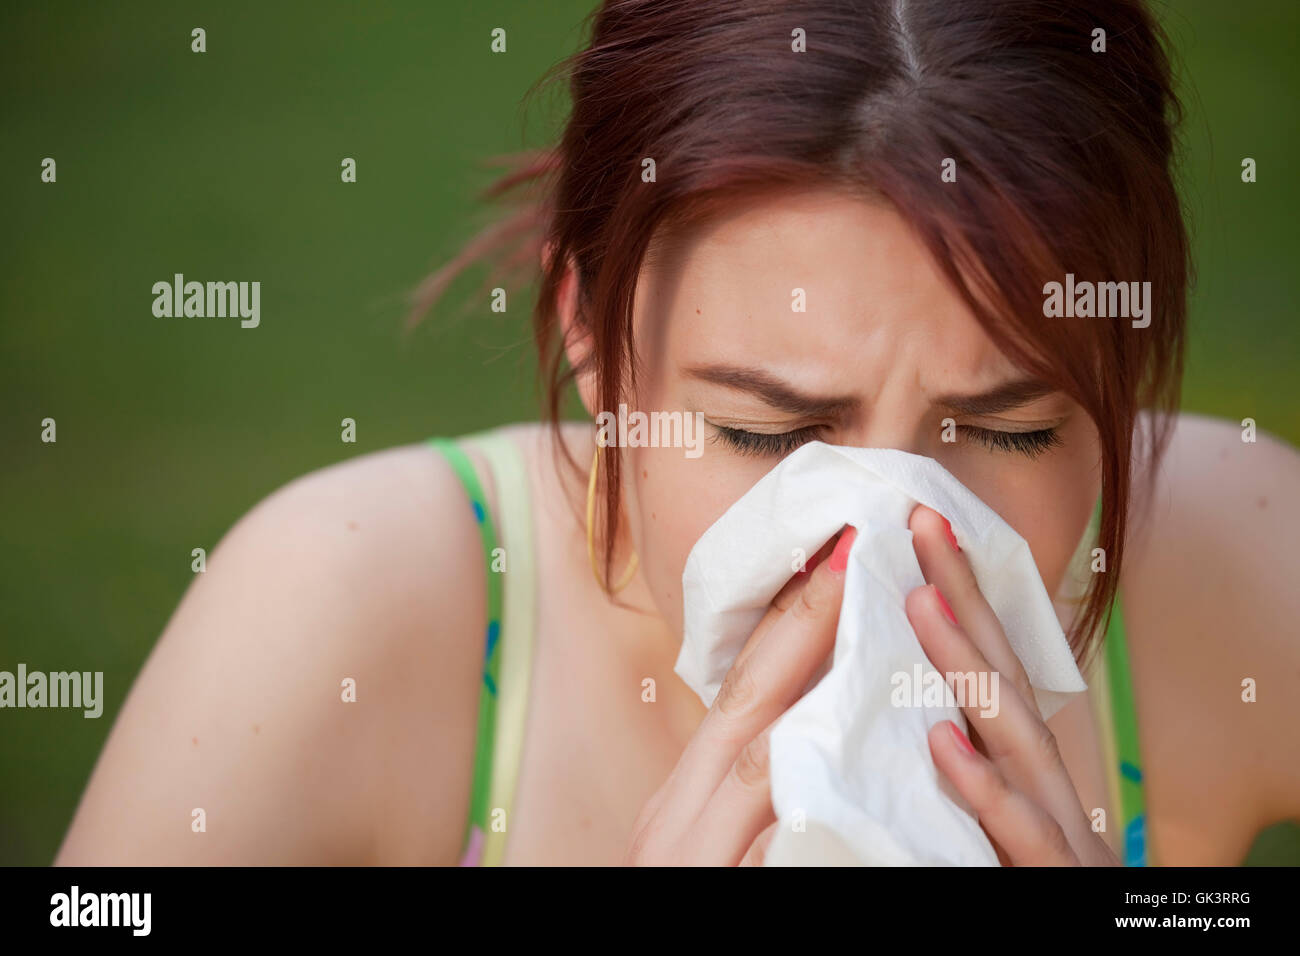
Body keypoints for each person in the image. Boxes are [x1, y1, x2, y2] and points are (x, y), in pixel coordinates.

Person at [56, 0, 1299, 866]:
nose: (884, 547)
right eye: (766, 431)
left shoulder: (1239, 560)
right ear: (590, 336)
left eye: (1014, 429)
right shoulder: (340, 606)